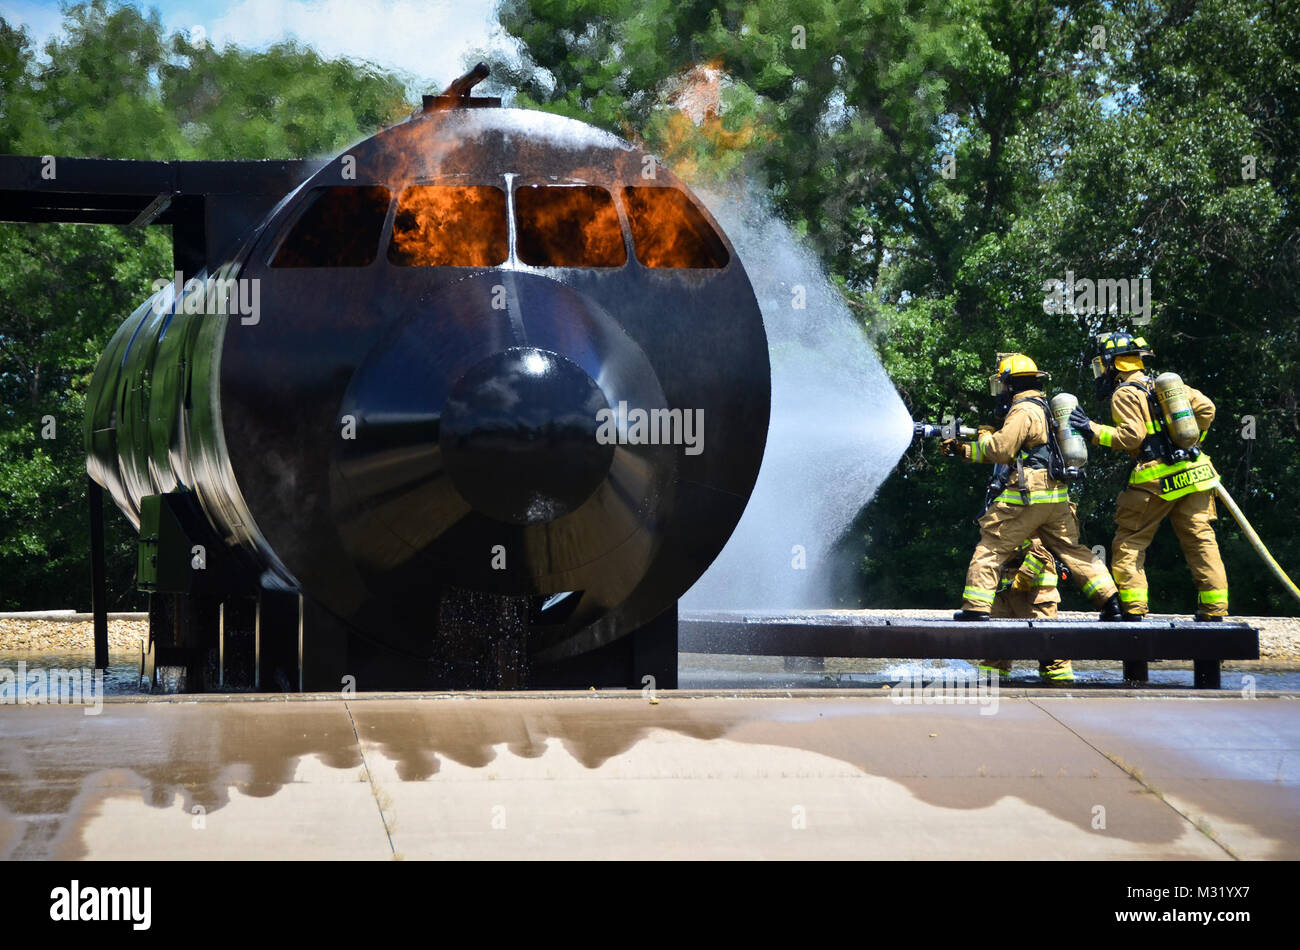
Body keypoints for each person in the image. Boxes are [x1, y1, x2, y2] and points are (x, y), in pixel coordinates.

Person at [944, 352, 1122, 621]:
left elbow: (1002, 450)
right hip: (1056, 498)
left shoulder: (1023, 410)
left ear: (1012, 384)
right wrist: (963, 449)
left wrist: (985, 435)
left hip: (1028, 497)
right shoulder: (1045, 407)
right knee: (1073, 551)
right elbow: (1011, 452)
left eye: (1001, 385)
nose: (999, 392)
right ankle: (1111, 603)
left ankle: (976, 608)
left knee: (991, 547)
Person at [1067, 332, 1227, 621]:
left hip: (1156, 480)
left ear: (1113, 364)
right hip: (1197, 473)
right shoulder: (1165, 386)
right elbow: (1207, 409)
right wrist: (1190, 441)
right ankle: (1214, 611)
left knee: (1129, 542)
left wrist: (1091, 430)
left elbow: (1132, 438)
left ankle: (1133, 610)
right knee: (1201, 541)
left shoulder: (1125, 393)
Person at [978, 534, 1075, 682]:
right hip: (1005, 590)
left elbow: (1040, 550)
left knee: (1048, 643)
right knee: (995, 649)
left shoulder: (1036, 514)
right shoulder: (1004, 518)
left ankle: (1061, 686)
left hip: (1035, 592)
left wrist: (1024, 577)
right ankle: (990, 685)